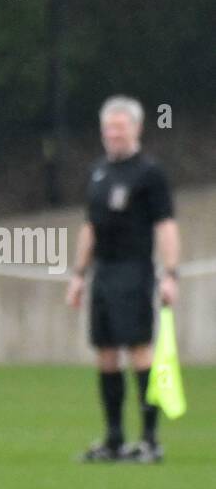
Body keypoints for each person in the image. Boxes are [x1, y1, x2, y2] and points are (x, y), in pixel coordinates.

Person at [67, 95, 180, 463]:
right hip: (104, 271)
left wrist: (170, 274)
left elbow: (165, 225)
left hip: (135, 270)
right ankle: (114, 438)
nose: (113, 134)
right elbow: (90, 226)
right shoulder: (98, 172)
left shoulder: (149, 173)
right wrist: (79, 275)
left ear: (136, 128)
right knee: (105, 352)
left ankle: (149, 440)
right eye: (108, 128)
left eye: (120, 127)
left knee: (139, 349)